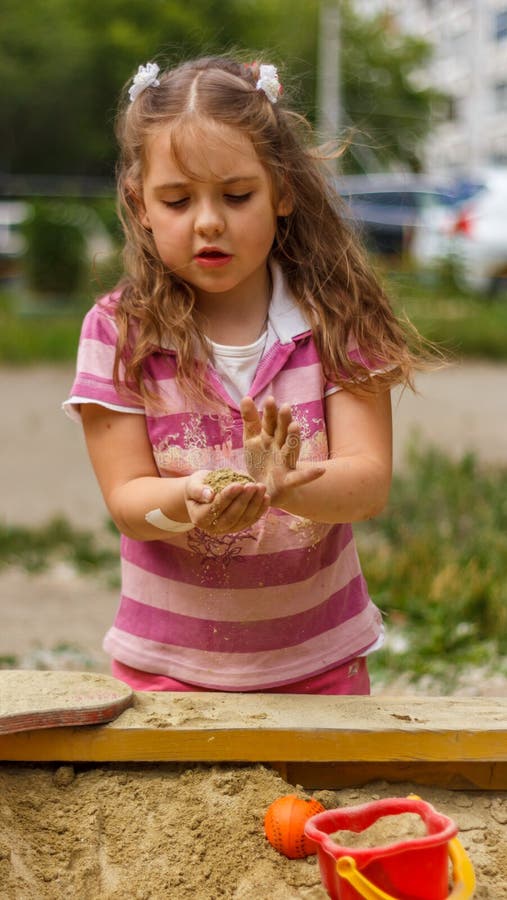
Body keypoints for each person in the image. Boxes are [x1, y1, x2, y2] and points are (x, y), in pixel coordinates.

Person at [64, 56, 423, 695]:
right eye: (177, 199)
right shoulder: (120, 331)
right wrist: (190, 500)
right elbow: (128, 501)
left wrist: (284, 485)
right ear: (139, 203)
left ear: (283, 190)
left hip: (321, 669)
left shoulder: (338, 317)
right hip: (167, 673)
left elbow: (367, 486)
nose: (208, 221)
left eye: (236, 195)